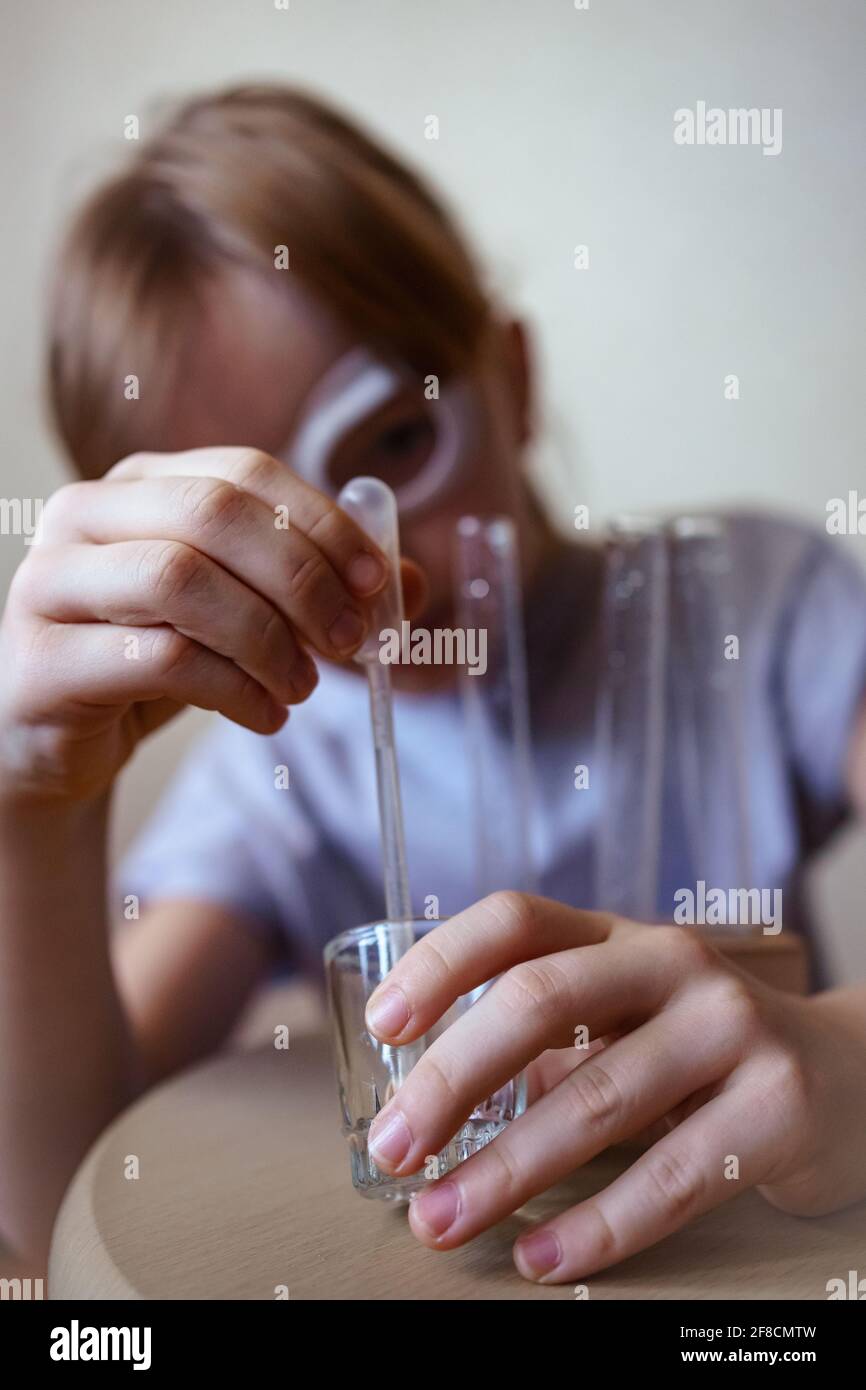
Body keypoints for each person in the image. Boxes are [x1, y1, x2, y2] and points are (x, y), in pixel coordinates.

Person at [1, 83, 865, 1282]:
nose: (380, 575)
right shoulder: (278, 770)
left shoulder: (754, 607)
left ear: (509, 378)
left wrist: (844, 1052)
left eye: (398, 441)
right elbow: (65, 1188)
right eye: (250, 542)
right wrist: (33, 811)